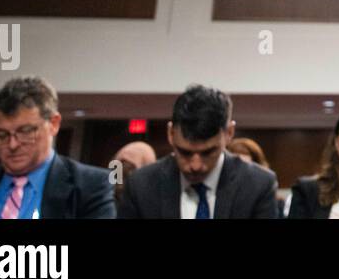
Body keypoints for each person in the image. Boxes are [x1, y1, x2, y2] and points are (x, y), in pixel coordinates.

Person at [0, 76, 114, 219]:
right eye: (2, 135)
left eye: (26, 132)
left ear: (53, 123)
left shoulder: (91, 187)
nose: (12, 145)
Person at [118, 85, 277, 218]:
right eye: (185, 153)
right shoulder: (141, 185)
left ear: (229, 133)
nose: (195, 166)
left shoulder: (257, 185)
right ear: (171, 134)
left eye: (208, 153)